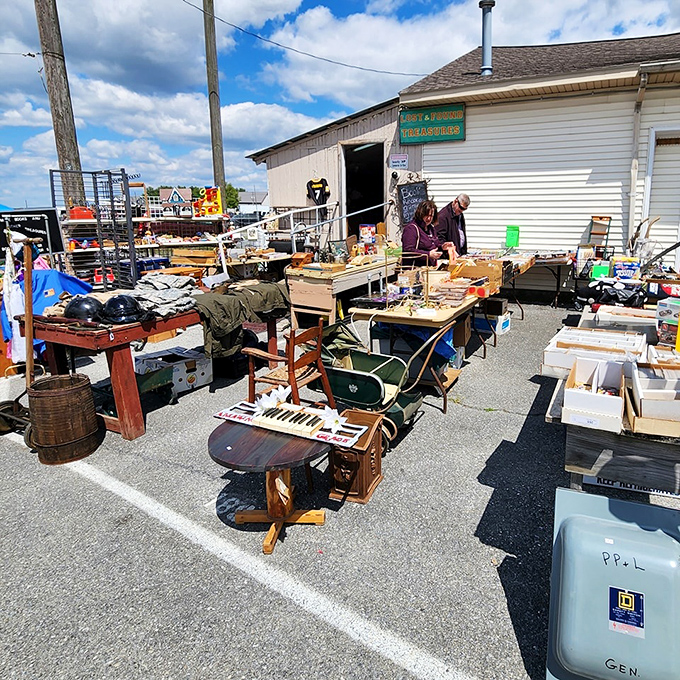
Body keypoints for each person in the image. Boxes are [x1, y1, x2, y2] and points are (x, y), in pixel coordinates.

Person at [401, 200, 454, 267]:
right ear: (420, 214)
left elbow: (435, 245)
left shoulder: (431, 228)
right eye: (426, 215)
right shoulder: (411, 229)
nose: (429, 218)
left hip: (429, 269)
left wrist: (442, 247)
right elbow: (408, 251)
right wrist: (428, 254)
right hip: (415, 271)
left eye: (431, 216)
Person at [436, 193, 470, 258]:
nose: (461, 210)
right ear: (455, 201)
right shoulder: (443, 216)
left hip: (459, 254)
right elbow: (439, 238)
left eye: (464, 209)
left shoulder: (459, 214)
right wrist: (449, 251)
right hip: (448, 256)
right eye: (461, 207)